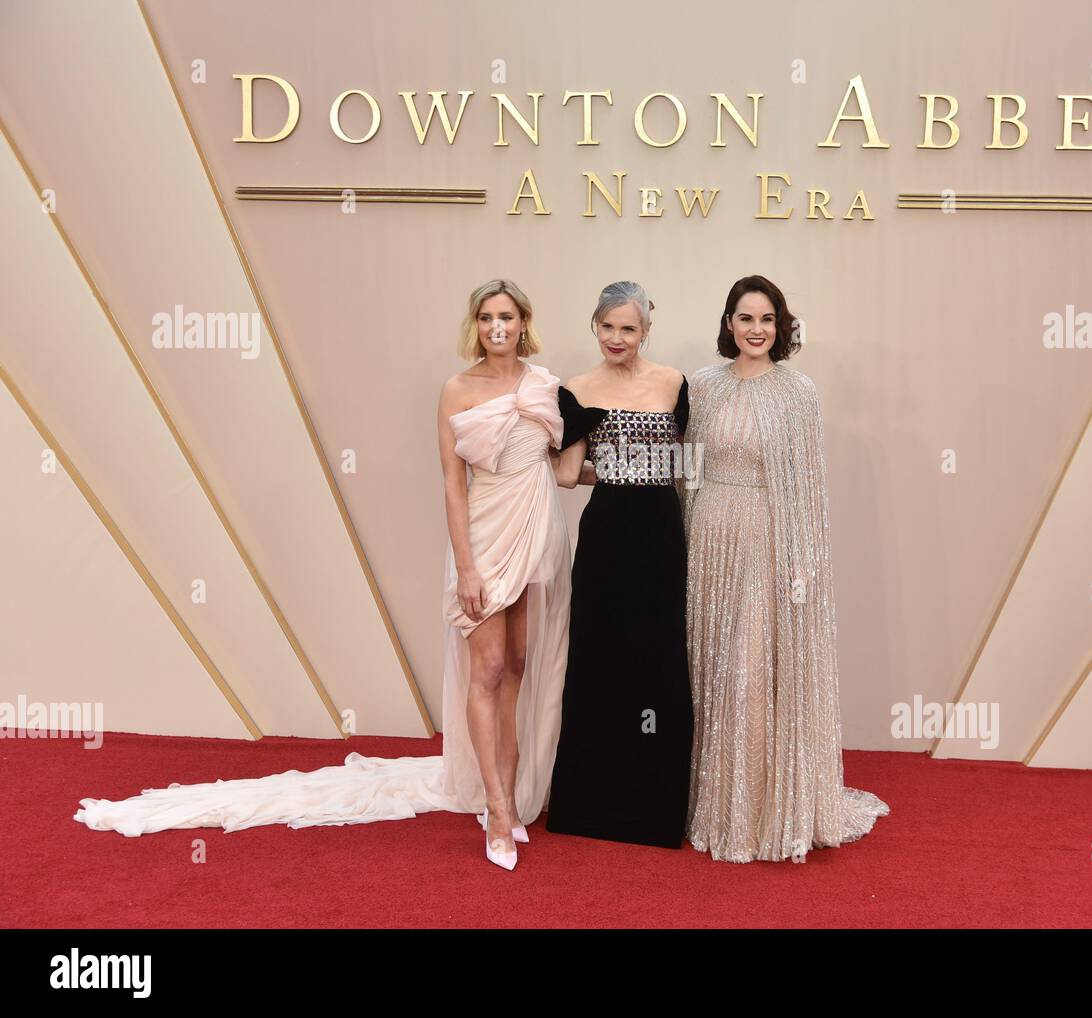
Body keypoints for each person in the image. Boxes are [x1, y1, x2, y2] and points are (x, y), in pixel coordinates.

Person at [74, 280, 571, 875]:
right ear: (476, 324)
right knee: (485, 670)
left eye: (508, 317)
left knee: (515, 666)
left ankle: (511, 796)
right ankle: (493, 809)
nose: (498, 327)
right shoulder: (456, 390)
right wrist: (466, 564)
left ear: (524, 322)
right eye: (487, 317)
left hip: (535, 536)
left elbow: (560, 462)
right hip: (485, 539)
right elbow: (450, 482)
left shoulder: (545, 385)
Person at [681, 274, 890, 863]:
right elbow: (685, 474)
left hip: (766, 545)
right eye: (746, 318)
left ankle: (753, 815)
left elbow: (806, 493)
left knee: (749, 669)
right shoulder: (700, 387)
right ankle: (708, 802)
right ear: (728, 324)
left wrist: (802, 569)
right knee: (709, 670)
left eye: (767, 319)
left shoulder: (798, 392)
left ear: (781, 326)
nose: (756, 329)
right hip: (708, 543)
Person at [544, 280, 694, 848]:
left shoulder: (675, 383)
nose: (616, 338)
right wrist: (623, 469)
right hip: (607, 538)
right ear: (595, 326)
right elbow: (565, 474)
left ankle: (654, 812)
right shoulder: (577, 390)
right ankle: (591, 806)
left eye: (627, 328)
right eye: (607, 327)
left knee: (658, 659)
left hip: (660, 537)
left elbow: (688, 466)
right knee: (600, 656)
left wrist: (644, 468)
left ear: (645, 330)